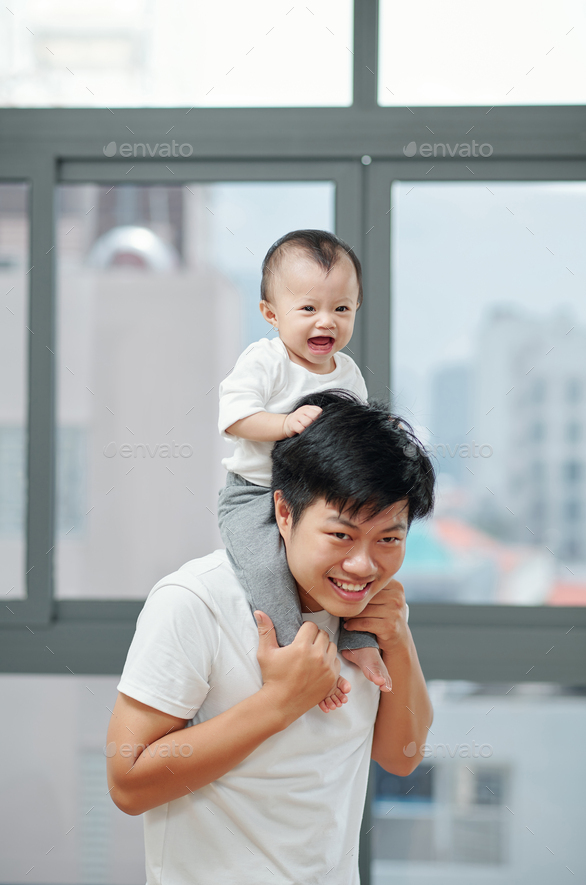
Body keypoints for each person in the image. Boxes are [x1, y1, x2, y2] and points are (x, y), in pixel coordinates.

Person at [106, 391, 435, 885]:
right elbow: (128, 784)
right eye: (341, 536)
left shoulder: (376, 608)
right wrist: (280, 703)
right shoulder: (194, 600)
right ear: (284, 512)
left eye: (389, 538)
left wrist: (399, 638)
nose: (364, 565)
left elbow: (401, 757)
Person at [217, 229, 389, 708]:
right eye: (308, 308)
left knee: (363, 562)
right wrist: (284, 423)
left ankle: (359, 642)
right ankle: (305, 664)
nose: (326, 321)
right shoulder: (264, 361)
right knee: (268, 571)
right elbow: (233, 418)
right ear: (271, 314)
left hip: (317, 500)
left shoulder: (346, 371)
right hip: (254, 493)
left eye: (341, 308)